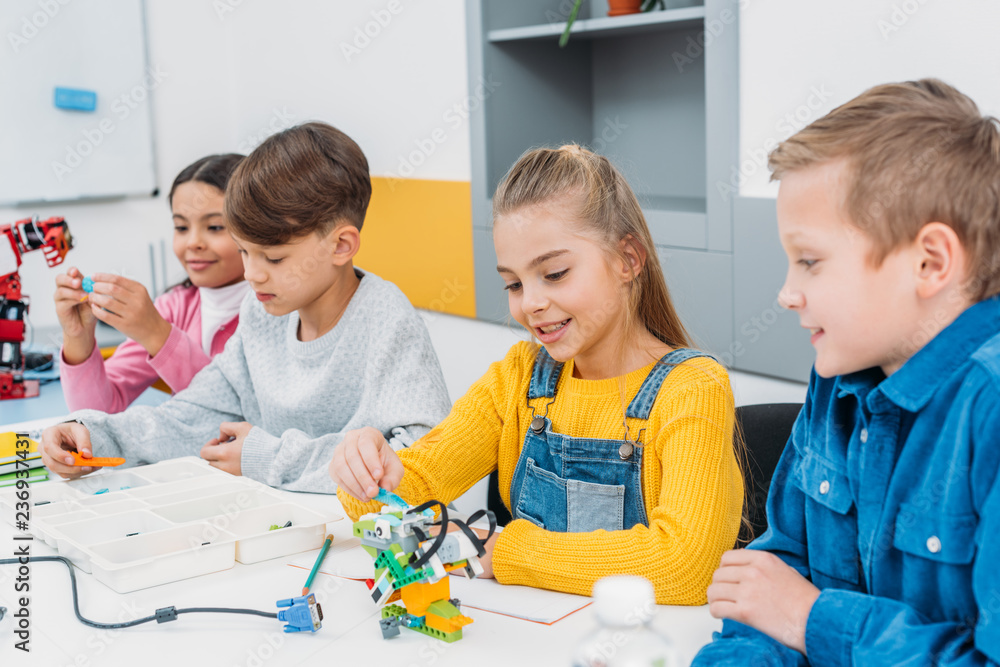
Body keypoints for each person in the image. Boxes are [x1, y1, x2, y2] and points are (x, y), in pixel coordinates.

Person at [331, 145, 745, 603]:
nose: (529, 304)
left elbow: (686, 566)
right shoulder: (517, 378)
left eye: (554, 273)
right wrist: (365, 470)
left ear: (628, 259)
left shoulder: (692, 389)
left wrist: (500, 551)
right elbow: (404, 496)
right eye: (513, 283)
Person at [693, 79, 1000, 664]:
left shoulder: (989, 409)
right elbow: (775, 579)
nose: (786, 293)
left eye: (809, 261)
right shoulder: (840, 372)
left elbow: (793, 608)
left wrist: (814, 620)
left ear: (930, 262)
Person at [40, 122, 451, 493]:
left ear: (341, 246)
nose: (252, 275)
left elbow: (417, 462)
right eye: (244, 252)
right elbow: (198, 413)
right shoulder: (263, 312)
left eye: (273, 259)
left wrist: (265, 457)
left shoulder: (386, 320)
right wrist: (92, 433)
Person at [56, 154, 248, 413]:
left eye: (214, 227)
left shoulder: (275, 311)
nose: (193, 242)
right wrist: (77, 336)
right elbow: (97, 411)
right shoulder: (174, 306)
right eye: (181, 227)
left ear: (258, 227)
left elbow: (240, 410)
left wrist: (157, 333)